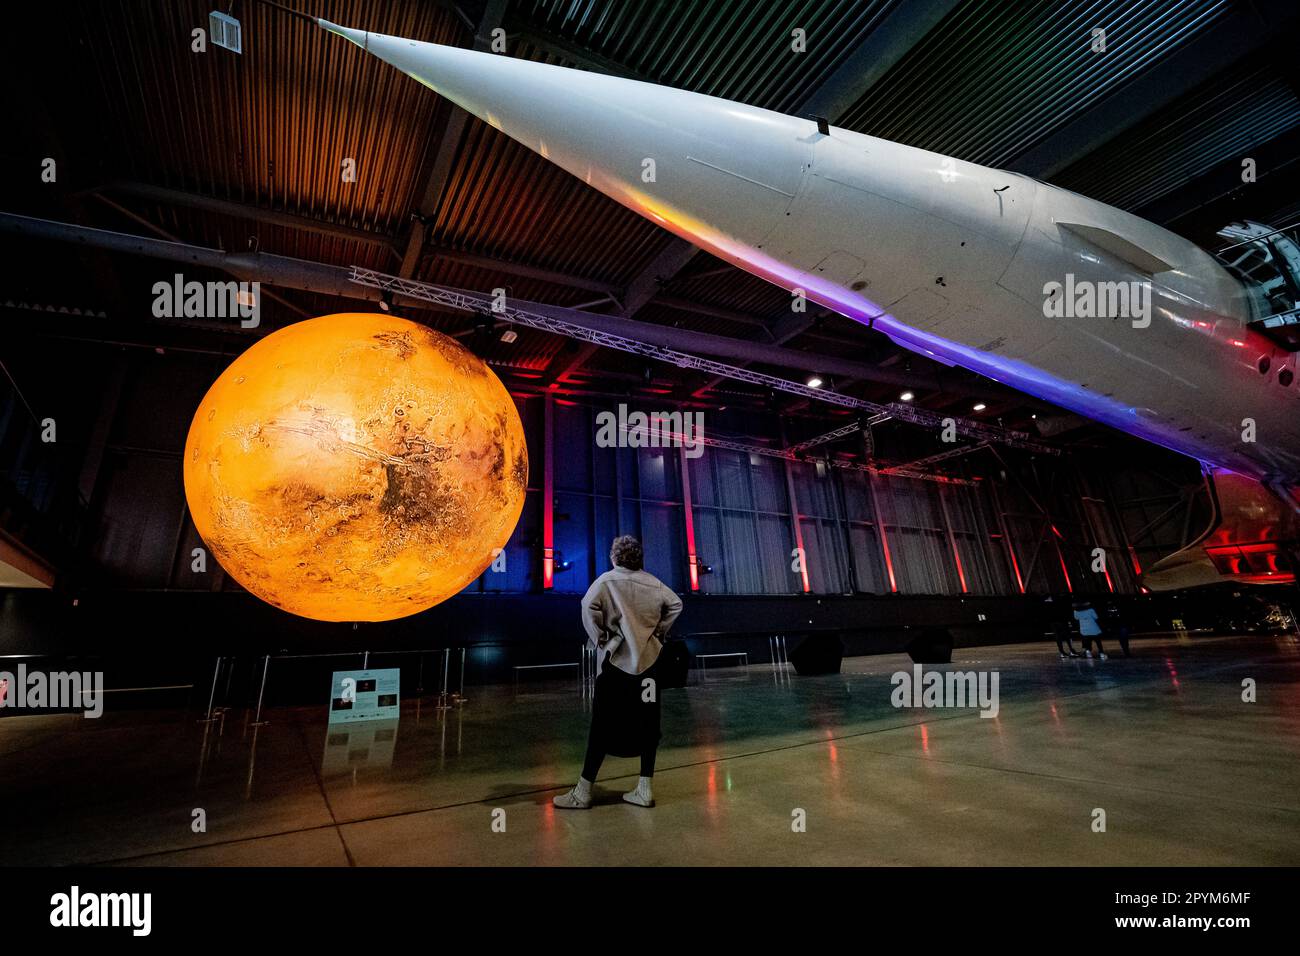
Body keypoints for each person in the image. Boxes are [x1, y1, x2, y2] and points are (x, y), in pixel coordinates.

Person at [554, 535, 683, 810]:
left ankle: (583, 791)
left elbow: (587, 607)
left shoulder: (605, 582)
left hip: (616, 666)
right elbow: (676, 604)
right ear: (639, 558)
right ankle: (644, 789)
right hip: (649, 666)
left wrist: (603, 638)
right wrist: (658, 633)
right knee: (649, 725)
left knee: (602, 724)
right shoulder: (654, 583)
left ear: (614, 557)